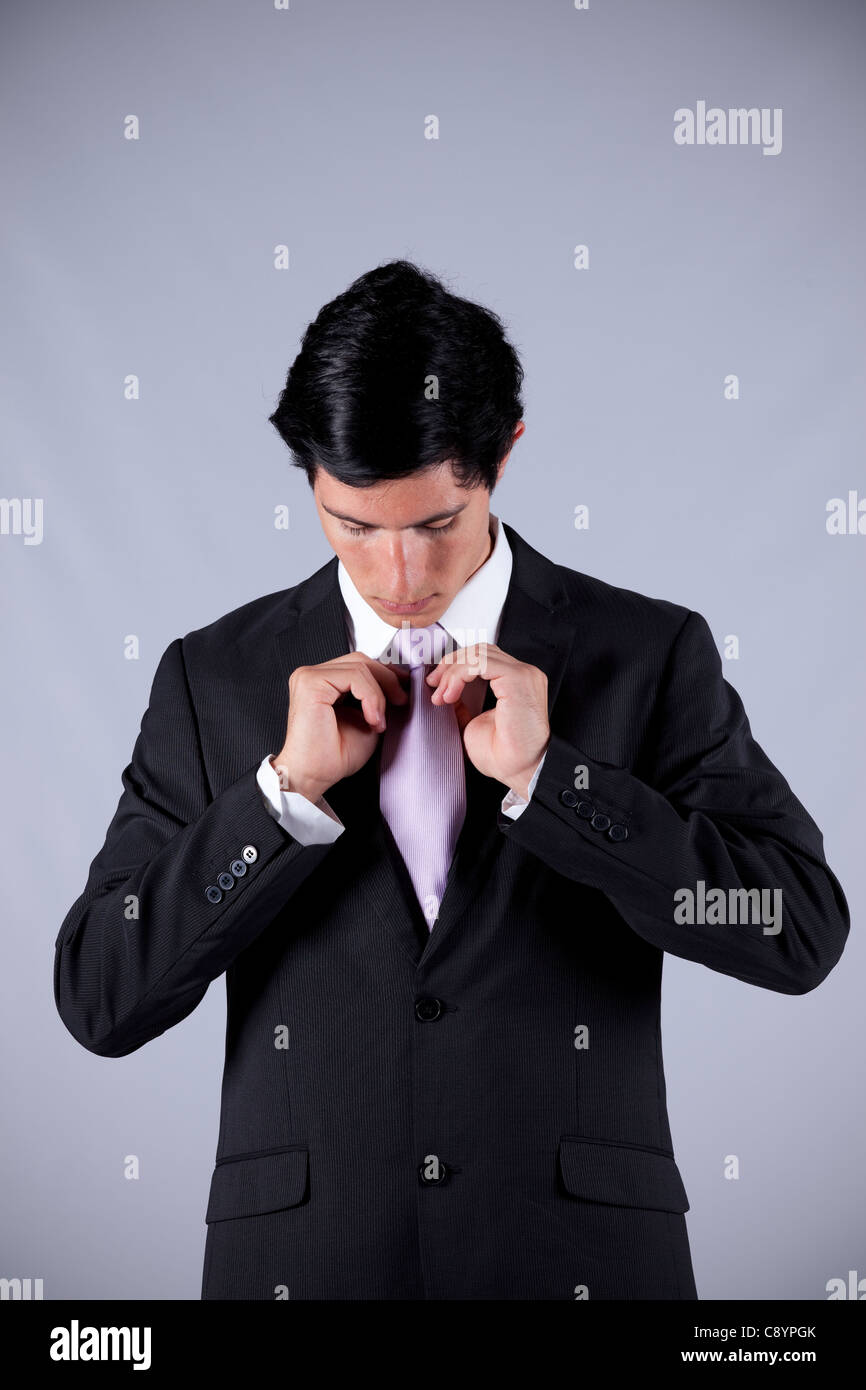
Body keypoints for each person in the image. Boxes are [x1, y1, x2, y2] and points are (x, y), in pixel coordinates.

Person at [54, 259, 850, 1301]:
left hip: (576, 1266)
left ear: (503, 455)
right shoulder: (210, 677)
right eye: (352, 525)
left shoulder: (646, 653)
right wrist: (279, 798)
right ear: (306, 481)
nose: (398, 577)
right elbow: (100, 993)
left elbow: (789, 926)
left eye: (433, 524)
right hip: (301, 1267)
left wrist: (555, 783)